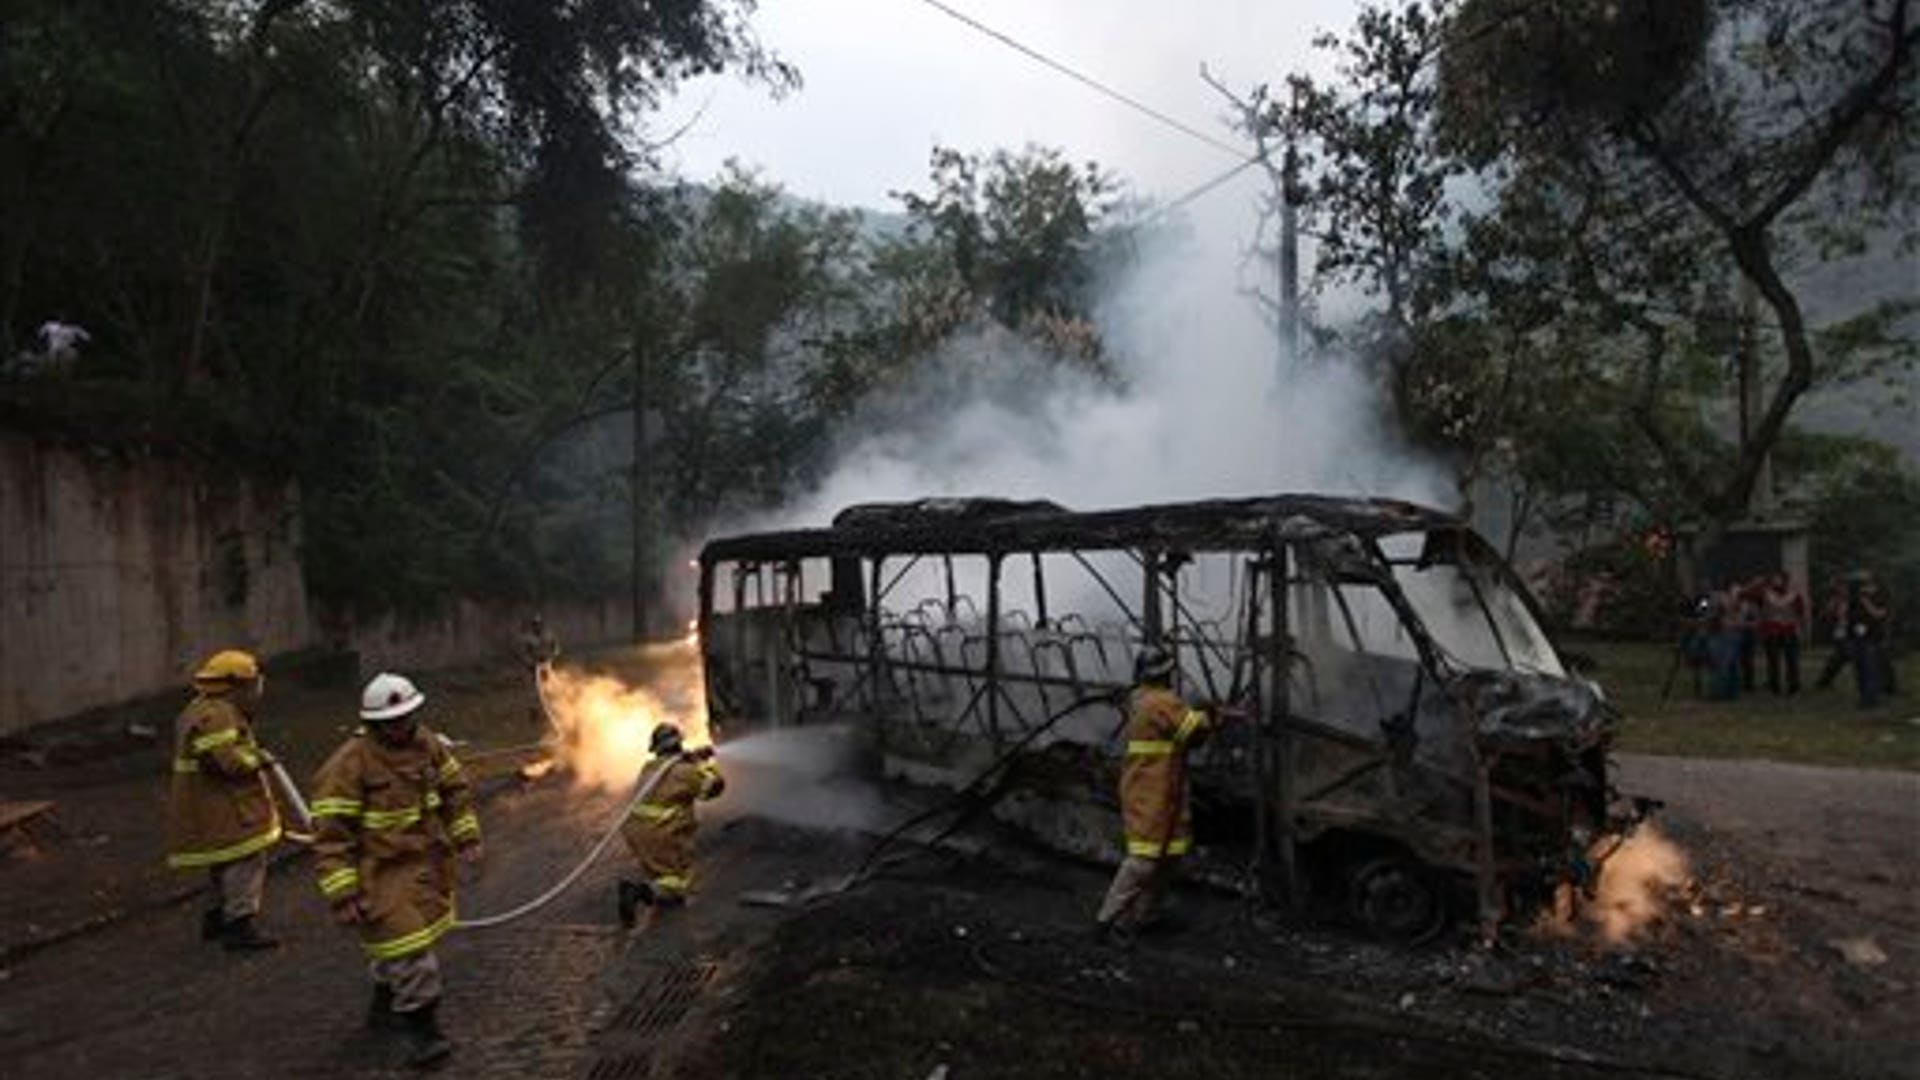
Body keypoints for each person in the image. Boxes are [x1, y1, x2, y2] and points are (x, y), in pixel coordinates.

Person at [310, 673, 482, 1070]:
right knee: (411, 952)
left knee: (403, 947)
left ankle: (383, 1005)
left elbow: (455, 791)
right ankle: (424, 1034)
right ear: (372, 724)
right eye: (393, 721)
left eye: (408, 717)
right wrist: (343, 894)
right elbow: (331, 835)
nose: (403, 727)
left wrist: (467, 837)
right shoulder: (349, 764)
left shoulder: (429, 745)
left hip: (427, 865)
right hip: (380, 873)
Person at [1093, 645, 1235, 945]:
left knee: (1169, 857)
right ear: (1163, 674)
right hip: (1150, 792)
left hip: (1165, 791)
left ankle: (1138, 918)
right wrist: (1213, 716)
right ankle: (1107, 921)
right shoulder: (1159, 701)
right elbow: (1191, 730)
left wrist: (1204, 717)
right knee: (1143, 861)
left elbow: (1185, 736)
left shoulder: (1147, 700)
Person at [167, 649, 282, 951]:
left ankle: (215, 918)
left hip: (212, 805)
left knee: (224, 863)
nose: (256, 691)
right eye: (252, 684)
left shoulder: (199, 708)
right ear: (236, 685)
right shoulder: (219, 714)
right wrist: (258, 759)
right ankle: (239, 925)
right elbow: (227, 762)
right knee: (246, 861)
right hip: (228, 805)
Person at [617, 723, 725, 926]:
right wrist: (707, 764)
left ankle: (661, 894)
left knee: (662, 873)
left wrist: (692, 760)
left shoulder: (649, 767)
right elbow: (713, 789)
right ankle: (637, 892)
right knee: (679, 879)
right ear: (678, 745)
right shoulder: (685, 772)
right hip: (661, 832)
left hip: (635, 831)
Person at [1845, 572, 1892, 708]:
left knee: (1870, 669)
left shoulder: (1881, 595)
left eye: (1866, 581)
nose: (1863, 585)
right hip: (1855, 636)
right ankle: (1863, 697)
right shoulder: (1855, 596)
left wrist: (1866, 602)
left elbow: (1879, 614)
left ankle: (1871, 700)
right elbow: (1849, 614)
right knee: (1859, 669)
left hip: (1872, 637)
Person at [1757, 571, 1807, 696]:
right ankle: (1775, 686)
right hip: (1772, 630)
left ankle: (1793, 686)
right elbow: (1747, 595)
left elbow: (1801, 613)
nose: (1775, 581)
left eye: (1778, 579)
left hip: (1788, 630)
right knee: (1773, 661)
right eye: (1774, 579)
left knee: (1792, 661)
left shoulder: (1794, 595)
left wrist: (1801, 628)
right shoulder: (1765, 593)